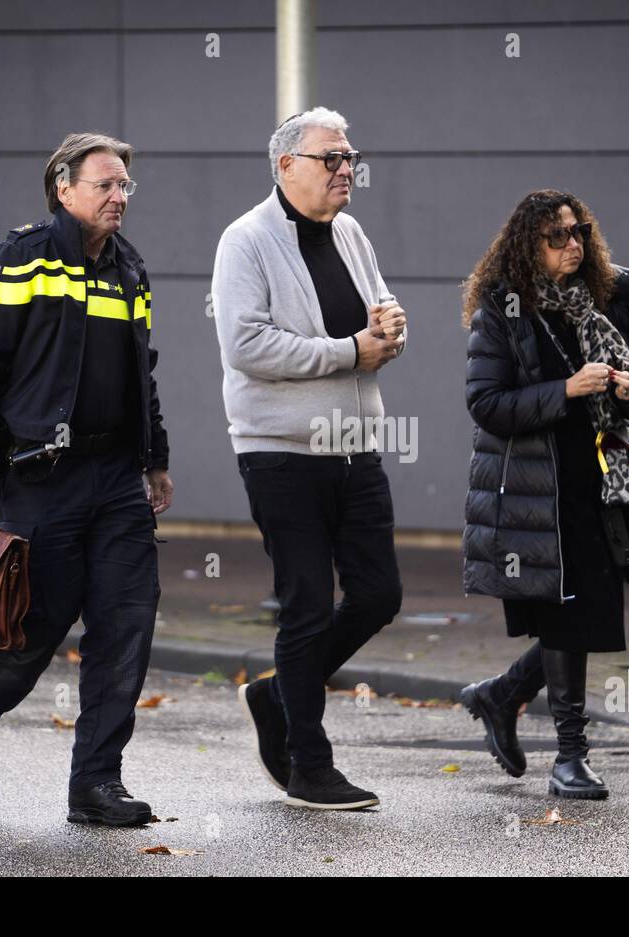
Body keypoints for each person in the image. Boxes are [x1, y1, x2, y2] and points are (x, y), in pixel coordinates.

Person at [0, 132, 173, 826]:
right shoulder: (23, 257)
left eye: (125, 185)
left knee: (126, 624)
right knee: (34, 628)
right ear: (64, 189)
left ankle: (96, 783)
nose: (119, 196)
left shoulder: (129, 268)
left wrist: (155, 458)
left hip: (116, 477)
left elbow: (143, 375)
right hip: (40, 475)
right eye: (106, 184)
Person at [211, 107, 407, 810]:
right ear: (286, 165)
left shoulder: (351, 233)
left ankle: (275, 694)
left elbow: (378, 309)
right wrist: (350, 351)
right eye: (332, 158)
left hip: (355, 448)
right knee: (307, 605)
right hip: (280, 452)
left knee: (379, 595)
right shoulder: (246, 239)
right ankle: (308, 765)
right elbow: (246, 345)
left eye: (350, 156)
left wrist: (392, 326)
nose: (346, 169)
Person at [459, 190, 629, 800]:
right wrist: (566, 389)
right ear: (528, 246)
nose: (573, 245)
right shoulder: (504, 309)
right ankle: (570, 756)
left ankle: (502, 695)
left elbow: (627, 389)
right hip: (538, 485)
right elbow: (487, 404)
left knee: (590, 606)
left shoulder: (600, 301)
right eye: (557, 236)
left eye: (579, 232)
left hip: (600, 480)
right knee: (570, 609)